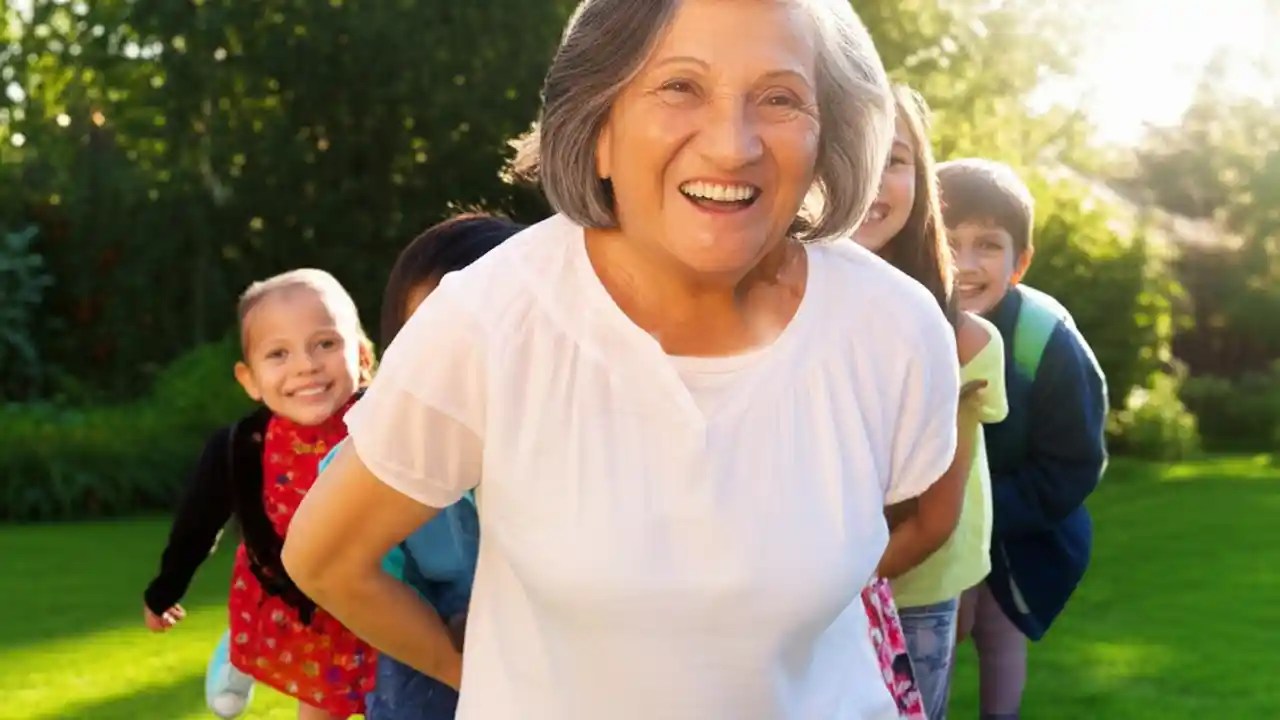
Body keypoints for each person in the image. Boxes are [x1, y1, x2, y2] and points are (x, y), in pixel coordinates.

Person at [283, 2, 961, 718]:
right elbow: (327, 557)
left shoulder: (893, 329)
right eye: (680, 87)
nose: (732, 146)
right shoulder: (489, 320)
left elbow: (902, 516)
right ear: (598, 129)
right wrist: (465, 669)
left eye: (780, 98)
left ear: (829, 139)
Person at [142, 269, 378, 720]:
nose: (305, 365)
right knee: (322, 706)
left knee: (398, 705)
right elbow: (197, 523)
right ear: (249, 379)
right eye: (278, 353)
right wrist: (163, 592)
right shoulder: (240, 447)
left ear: (363, 357)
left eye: (326, 343)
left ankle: (239, 647)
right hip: (295, 601)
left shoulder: (384, 422)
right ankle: (239, 647)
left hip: (388, 597)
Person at [327, 214, 524, 720]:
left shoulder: (567, 440)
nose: (466, 370)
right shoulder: (383, 459)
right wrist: (451, 652)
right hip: (431, 632)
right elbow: (358, 577)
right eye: (439, 348)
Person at [852, 86, 1009, 720]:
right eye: (848, 151)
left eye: (892, 159)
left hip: (911, 588)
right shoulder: (760, 305)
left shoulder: (963, 339)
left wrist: (828, 586)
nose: (868, 178)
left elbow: (935, 520)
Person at [939, 158, 1107, 720]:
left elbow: (1073, 463)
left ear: (1020, 262)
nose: (965, 264)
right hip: (924, 524)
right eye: (948, 240)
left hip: (1020, 528)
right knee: (936, 626)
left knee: (996, 626)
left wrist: (980, 519)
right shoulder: (904, 319)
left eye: (987, 244)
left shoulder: (1045, 341)